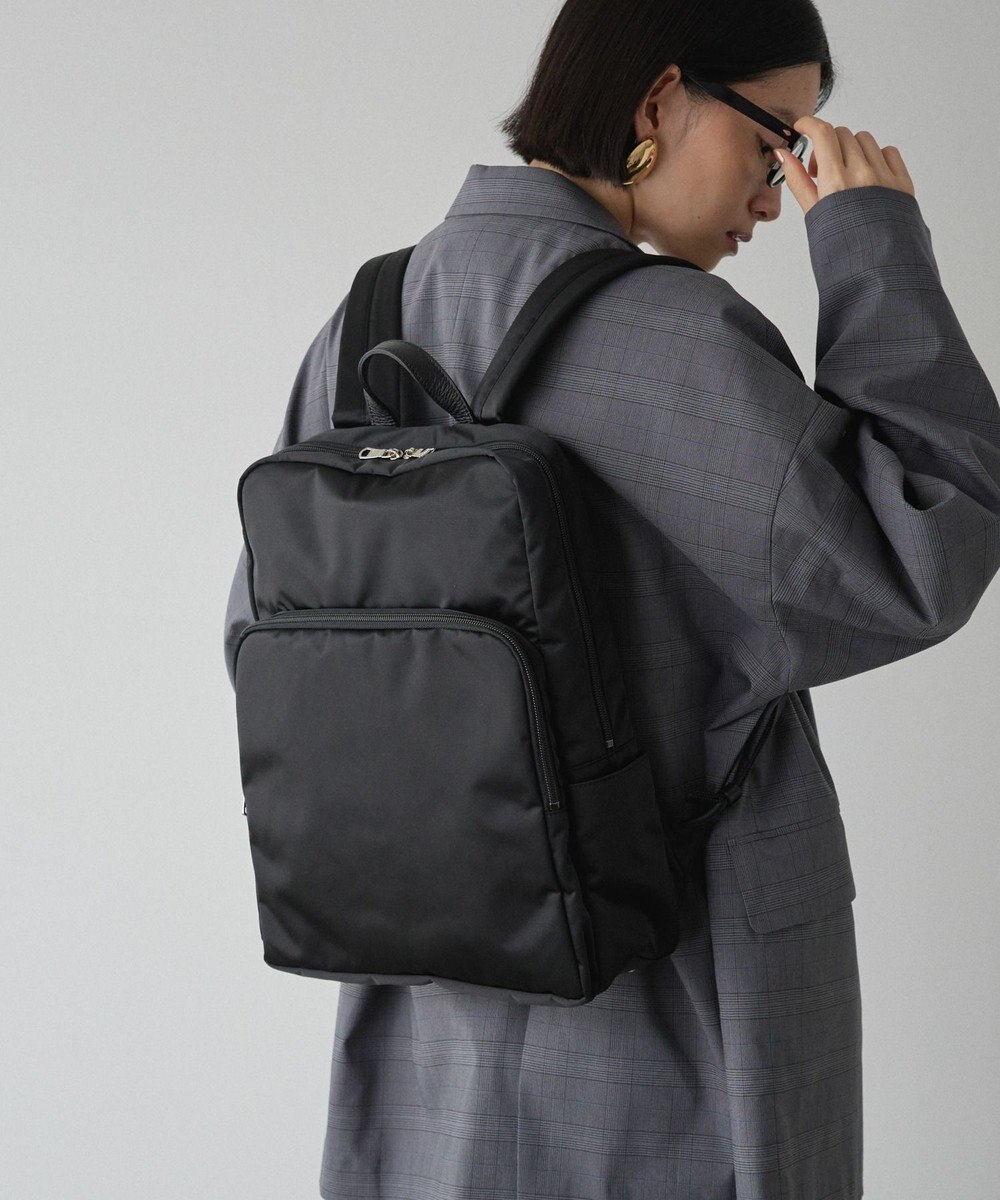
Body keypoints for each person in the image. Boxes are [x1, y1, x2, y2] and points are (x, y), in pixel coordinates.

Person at [223, 2, 1000, 1197]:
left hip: (427, 988)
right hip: (675, 991)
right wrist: (871, 242)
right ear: (657, 100)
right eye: (775, 140)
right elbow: (922, 544)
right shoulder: (667, 332)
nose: (776, 194)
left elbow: (261, 636)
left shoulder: (366, 320)